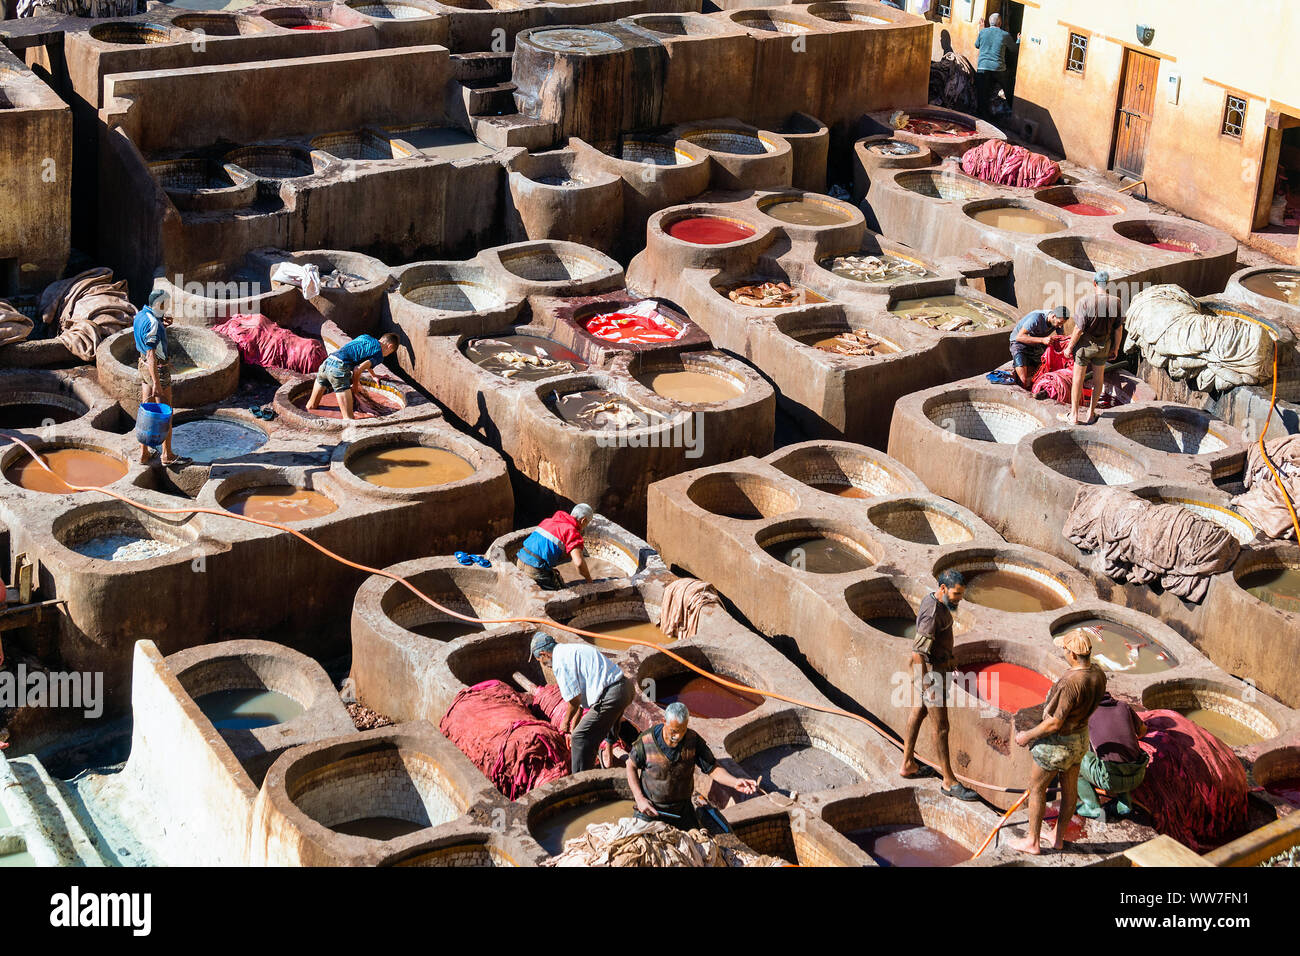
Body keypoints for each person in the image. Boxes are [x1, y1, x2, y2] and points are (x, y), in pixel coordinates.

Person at [1009, 630, 1108, 854]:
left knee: (1036, 788)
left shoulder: (1070, 681)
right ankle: (1057, 837)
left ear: (1072, 653)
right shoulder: (1099, 674)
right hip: (1080, 739)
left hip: (1058, 745)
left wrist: (1028, 735)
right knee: (1070, 789)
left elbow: (1054, 723)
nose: (1063, 652)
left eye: (1064, 649)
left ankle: (1032, 841)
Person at [898, 569, 980, 801]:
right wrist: (926, 686)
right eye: (956, 594)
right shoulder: (933, 613)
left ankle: (907, 764)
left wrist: (947, 657)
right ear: (943, 588)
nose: (958, 599)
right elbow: (917, 654)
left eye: (962, 595)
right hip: (932, 676)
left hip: (936, 670)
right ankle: (949, 781)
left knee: (919, 711)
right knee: (941, 727)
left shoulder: (934, 600)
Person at [627, 702, 759, 830]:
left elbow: (712, 768)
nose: (678, 736)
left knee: (698, 846)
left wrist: (735, 782)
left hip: (682, 810)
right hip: (651, 809)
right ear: (663, 721)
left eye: (682, 730)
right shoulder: (646, 741)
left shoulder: (693, 741)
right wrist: (640, 798)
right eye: (674, 731)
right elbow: (630, 765)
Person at [530, 632, 634, 772]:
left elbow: (574, 700)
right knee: (607, 718)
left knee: (580, 738)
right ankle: (608, 750)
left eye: (540, 660)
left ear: (544, 654)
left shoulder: (560, 663)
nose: (544, 665)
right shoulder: (572, 650)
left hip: (612, 695)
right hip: (626, 689)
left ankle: (581, 778)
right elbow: (581, 698)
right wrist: (575, 724)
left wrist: (565, 725)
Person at [134, 289, 190, 467]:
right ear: (158, 304)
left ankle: (143, 454)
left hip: (142, 366)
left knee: (146, 410)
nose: (167, 308)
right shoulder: (154, 324)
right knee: (166, 412)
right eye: (165, 304)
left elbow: (146, 340)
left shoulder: (140, 315)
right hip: (157, 368)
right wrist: (158, 383)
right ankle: (167, 455)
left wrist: (161, 323)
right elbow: (152, 355)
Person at [1061, 271, 1125, 425]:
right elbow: (1118, 329)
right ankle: (1090, 414)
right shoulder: (1116, 302)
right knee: (1098, 380)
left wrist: (1069, 347)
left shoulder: (1085, 301)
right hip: (1103, 346)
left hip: (1084, 346)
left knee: (1077, 379)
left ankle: (1074, 416)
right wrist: (1116, 348)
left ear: (1094, 283)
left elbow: (1079, 329)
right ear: (1107, 284)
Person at [1077, 692, 1148, 819]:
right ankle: (1124, 804)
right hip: (1138, 774)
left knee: (1073, 761)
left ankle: (1092, 807)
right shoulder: (1123, 706)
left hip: (1110, 780)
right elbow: (1142, 731)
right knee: (1120, 756)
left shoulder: (1085, 714)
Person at [305, 332, 399, 421]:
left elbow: (364, 359)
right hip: (339, 370)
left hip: (326, 363)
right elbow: (357, 370)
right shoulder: (379, 355)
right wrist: (355, 387)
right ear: (389, 347)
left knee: (311, 407)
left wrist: (374, 376)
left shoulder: (365, 337)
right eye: (389, 353)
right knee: (349, 419)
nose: (386, 355)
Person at [515, 504, 594, 591]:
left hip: (520, 561)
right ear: (583, 520)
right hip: (535, 568)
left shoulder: (549, 521)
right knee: (562, 595)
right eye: (588, 523)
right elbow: (579, 563)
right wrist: (589, 580)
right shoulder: (572, 531)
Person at [1009, 305, 1069, 388]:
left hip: (1035, 344)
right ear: (1053, 316)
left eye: (1062, 324)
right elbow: (1019, 337)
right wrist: (1042, 340)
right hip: (1019, 343)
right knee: (1023, 379)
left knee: (1044, 368)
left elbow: (1061, 338)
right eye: (1059, 323)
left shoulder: (1058, 322)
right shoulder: (1036, 318)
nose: (1059, 326)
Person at [974, 13, 1019, 117]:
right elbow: (1014, 49)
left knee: (982, 94)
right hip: (998, 69)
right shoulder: (1005, 35)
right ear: (1000, 23)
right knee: (1007, 88)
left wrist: (980, 31)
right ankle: (1007, 112)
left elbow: (977, 45)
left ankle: (982, 116)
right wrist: (1019, 40)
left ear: (989, 22)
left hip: (982, 68)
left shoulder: (983, 32)